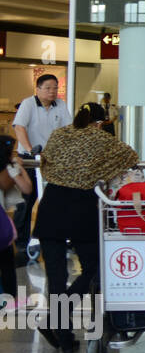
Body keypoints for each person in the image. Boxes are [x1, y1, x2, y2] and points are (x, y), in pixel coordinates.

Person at [34, 103, 138, 353]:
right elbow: (131, 156)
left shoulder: (59, 134)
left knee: (56, 276)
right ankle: (60, 318)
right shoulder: (102, 139)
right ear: (100, 122)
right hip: (81, 207)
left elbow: (45, 164)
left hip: (52, 204)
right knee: (95, 269)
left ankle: (64, 336)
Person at [12, 73, 72, 252]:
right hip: (30, 159)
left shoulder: (60, 105)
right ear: (37, 89)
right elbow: (19, 127)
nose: (52, 92)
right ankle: (20, 242)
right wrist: (30, 148)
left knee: (55, 199)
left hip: (53, 160)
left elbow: (68, 130)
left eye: (55, 88)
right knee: (26, 201)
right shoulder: (28, 104)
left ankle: (55, 238)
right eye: (48, 88)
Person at [0, 139, 34, 307]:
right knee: (6, 261)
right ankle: (10, 299)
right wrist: (20, 166)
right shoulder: (9, 169)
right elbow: (27, 188)